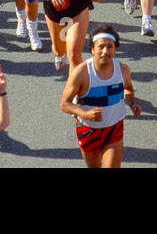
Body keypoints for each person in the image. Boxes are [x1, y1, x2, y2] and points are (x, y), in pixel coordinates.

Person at [60, 25, 142, 168]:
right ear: (92, 50)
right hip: (88, 130)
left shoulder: (123, 70)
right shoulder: (81, 73)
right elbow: (64, 104)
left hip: (114, 128)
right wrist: (85, 114)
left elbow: (128, 88)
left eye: (110, 47)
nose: (105, 51)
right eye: (101, 47)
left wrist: (132, 103)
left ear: (115, 50)